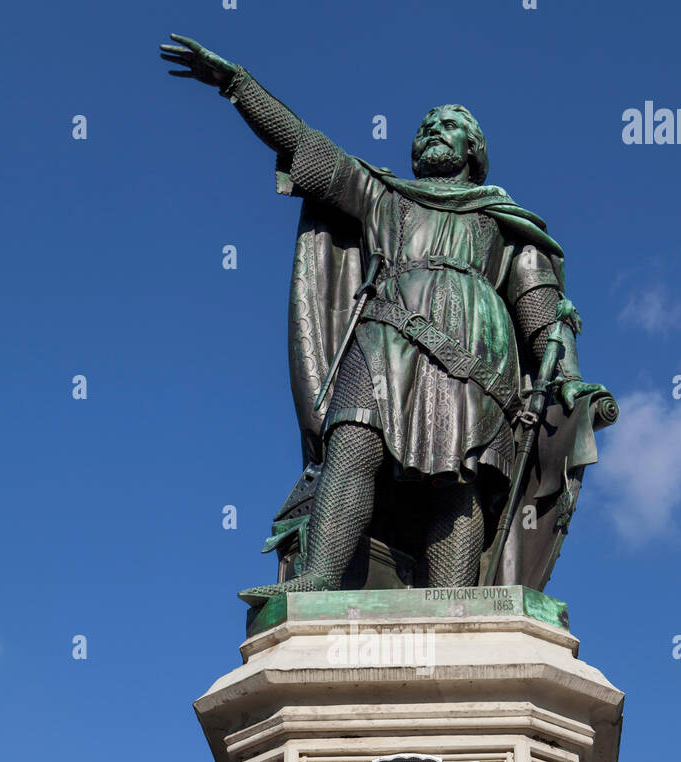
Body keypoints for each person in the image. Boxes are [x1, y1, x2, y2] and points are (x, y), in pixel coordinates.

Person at [160, 35, 608, 598]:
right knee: (351, 439)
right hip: (386, 330)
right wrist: (238, 85)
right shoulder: (382, 197)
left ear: (474, 149)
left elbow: (538, 302)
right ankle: (320, 577)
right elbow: (307, 147)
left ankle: (452, 600)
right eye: (425, 126)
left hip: (474, 341)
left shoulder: (502, 220)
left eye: (447, 125)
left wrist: (563, 372)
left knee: (459, 471)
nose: (431, 132)